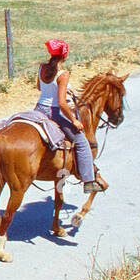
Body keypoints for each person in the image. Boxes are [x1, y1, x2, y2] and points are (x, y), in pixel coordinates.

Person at [35, 39, 101, 193]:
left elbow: (40, 87)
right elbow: (62, 103)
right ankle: (88, 181)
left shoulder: (42, 67)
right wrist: (74, 121)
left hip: (38, 109)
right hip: (54, 112)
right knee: (81, 141)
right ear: (64, 56)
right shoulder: (63, 74)